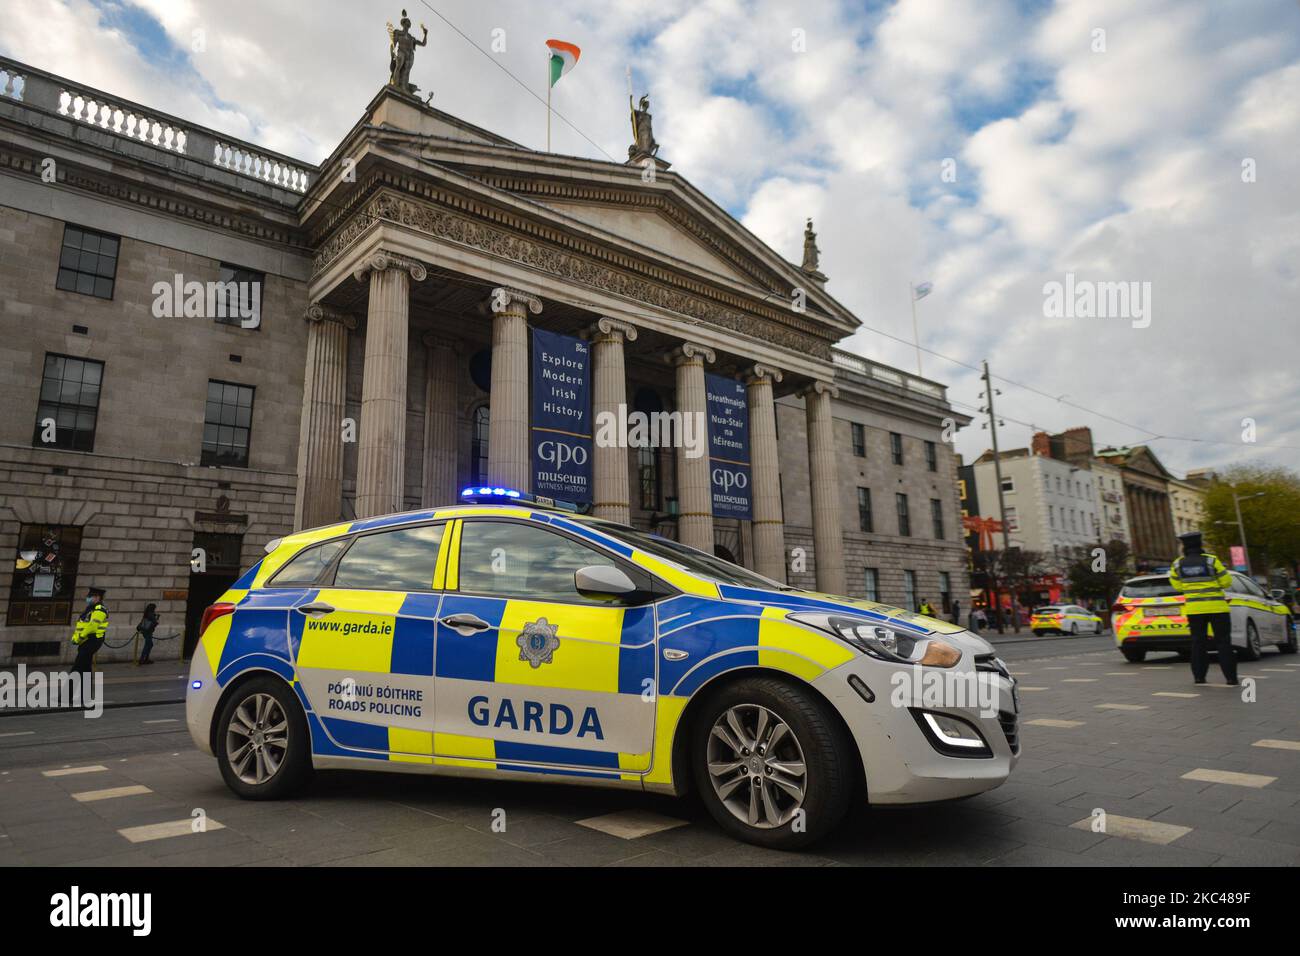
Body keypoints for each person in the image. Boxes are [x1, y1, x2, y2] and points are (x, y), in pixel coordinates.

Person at [1168, 530, 1237, 685]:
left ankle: (1199, 677)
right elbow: (1226, 582)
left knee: (1198, 643)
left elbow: (1177, 585)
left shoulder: (1178, 564)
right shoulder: (1212, 561)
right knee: (1223, 643)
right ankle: (1231, 678)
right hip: (1218, 609)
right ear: (1200, 544)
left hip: (1194, 610)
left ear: (1184, 547)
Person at [71, 586, 109, 675]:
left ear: (97, 597)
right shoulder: (91, 608)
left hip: (92, 640)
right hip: (87, 640)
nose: (88, 598)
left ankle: (70, 688)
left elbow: (92, 627)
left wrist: (79, 638)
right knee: (85, 666)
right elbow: (83, 624)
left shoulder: (100, 610)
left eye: (90, 596)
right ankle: (85, 688)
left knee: (78, 667)